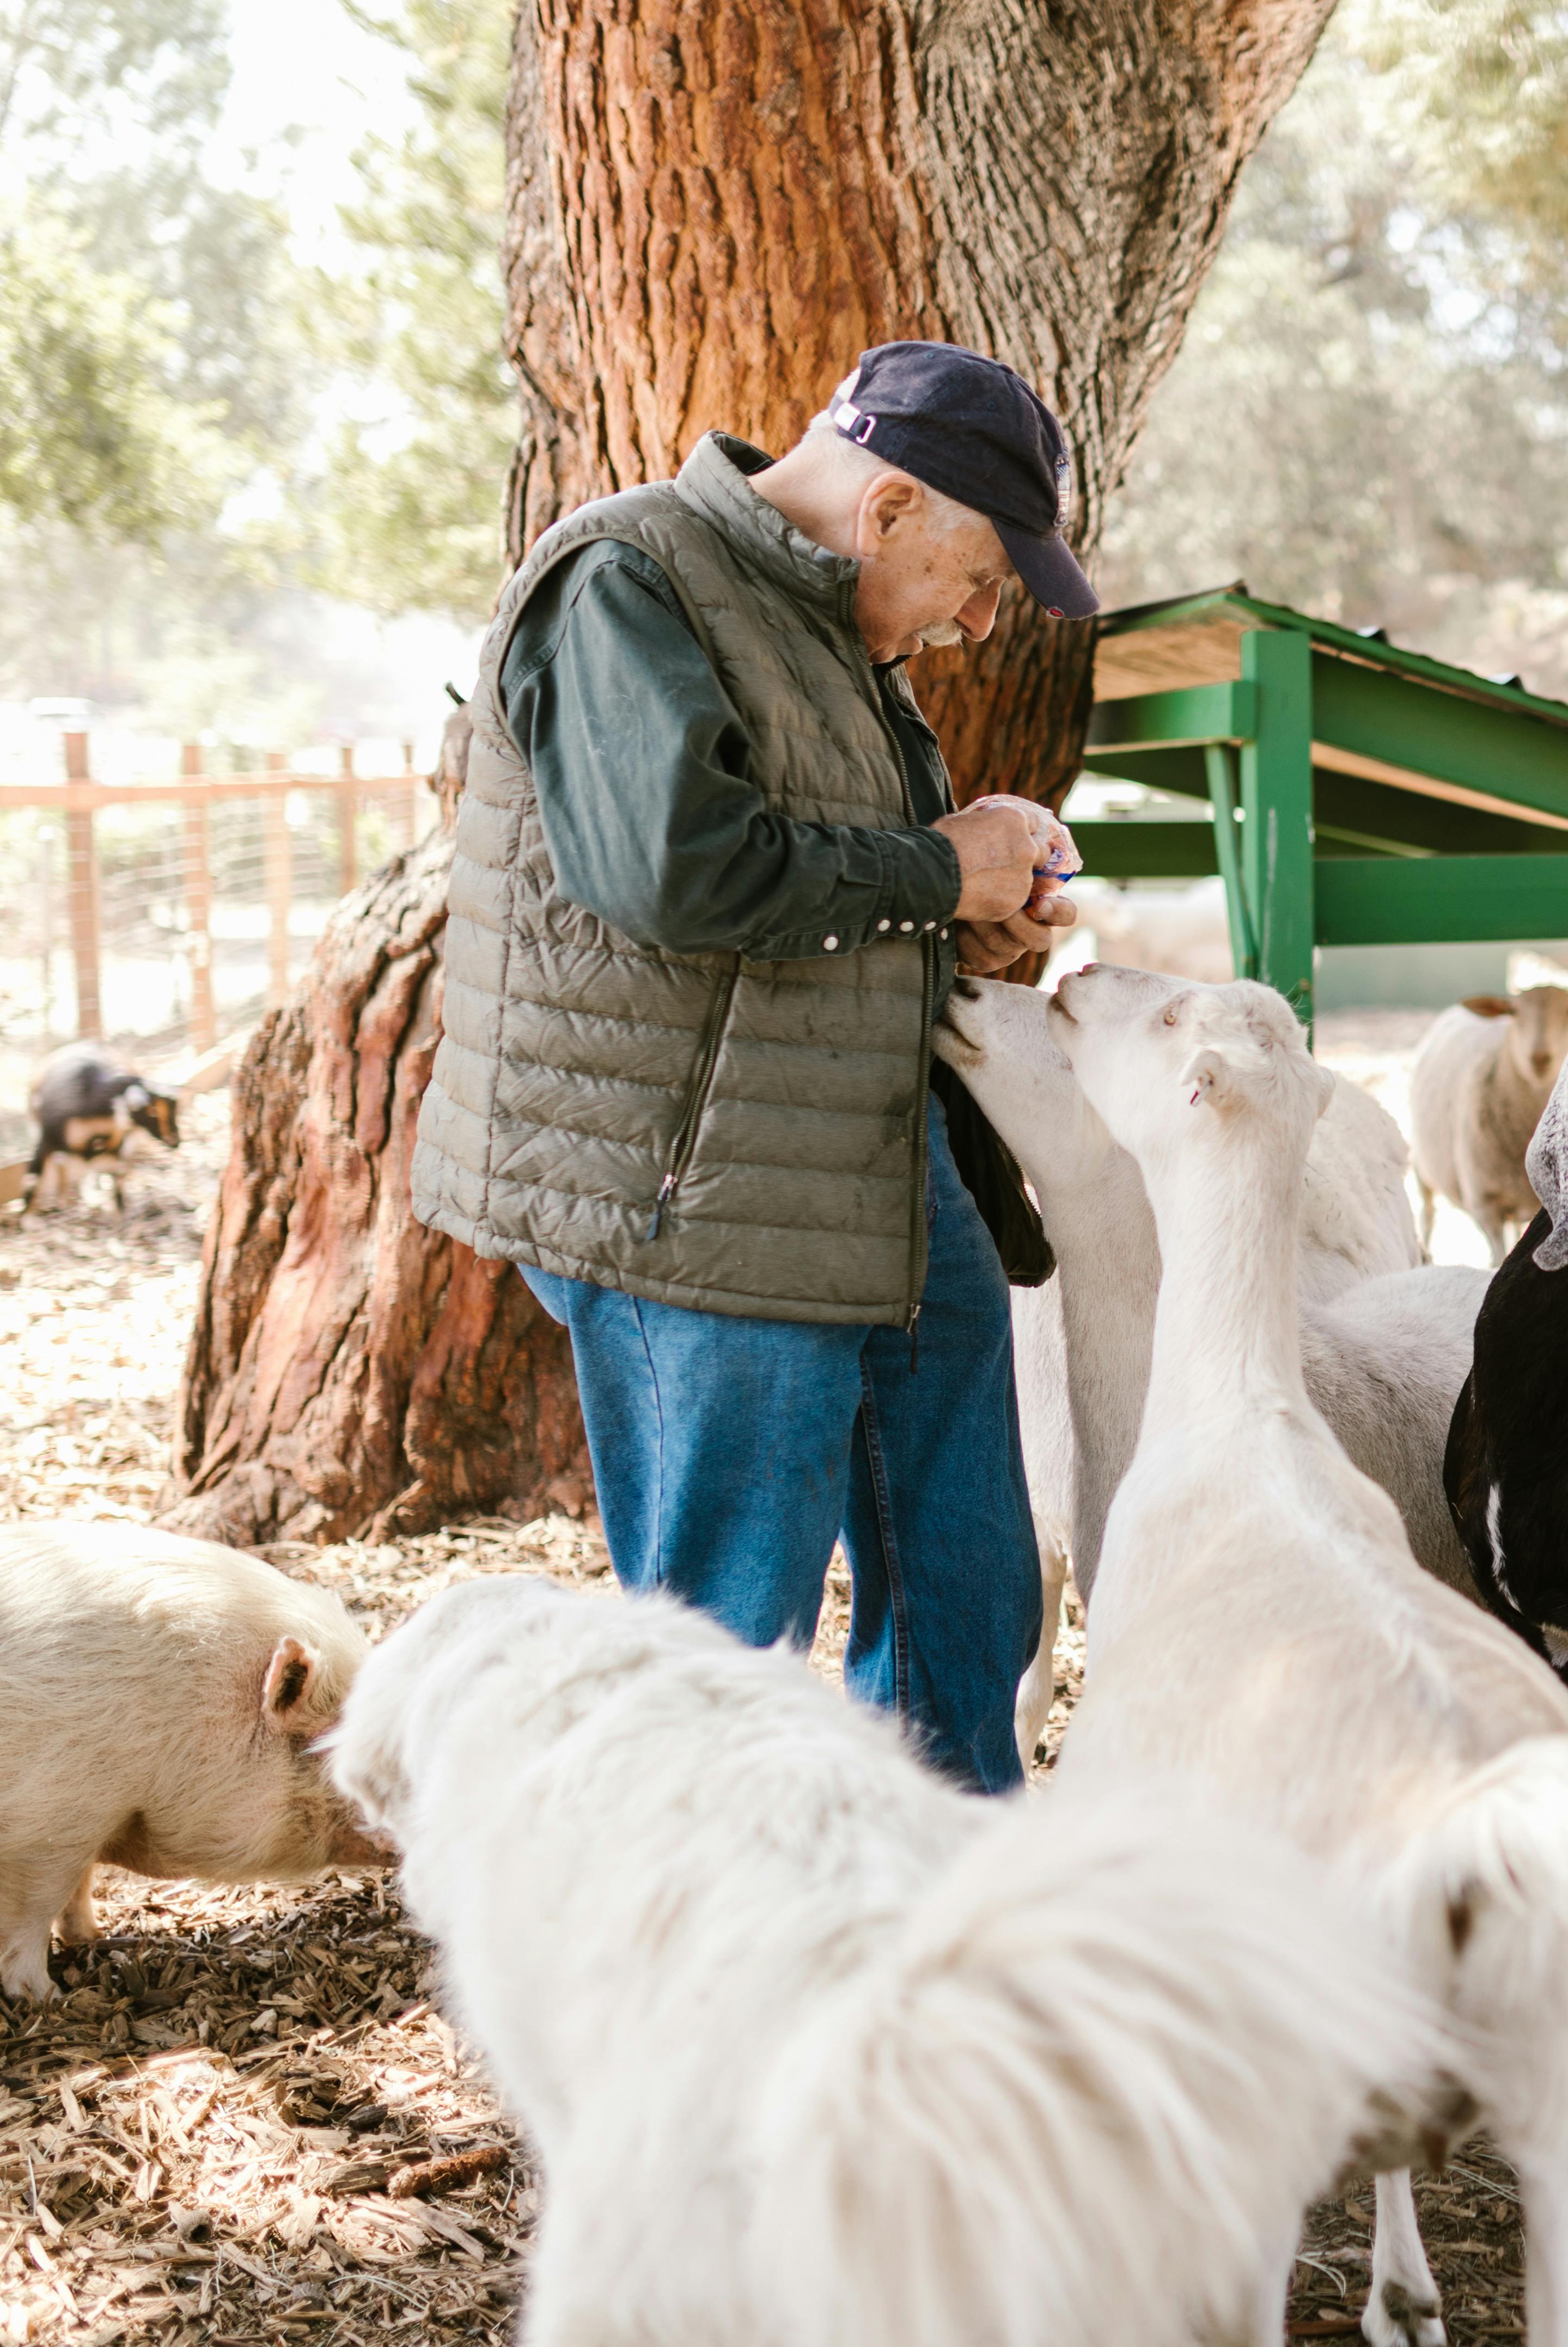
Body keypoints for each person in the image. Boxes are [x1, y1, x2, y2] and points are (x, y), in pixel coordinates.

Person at [412, 340, 1097, 1794]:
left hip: (873, 1170)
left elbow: (830, 905)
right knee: (725, 1645)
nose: (978, 626)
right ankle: (681, 1969)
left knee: (971, 1589)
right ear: (893, 506)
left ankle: (949, 1922)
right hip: (697, 1208)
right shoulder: (626, 578)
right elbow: (675, 872)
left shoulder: (847, 634)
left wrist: (970, 919)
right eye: (979, 581)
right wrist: (935, 866)